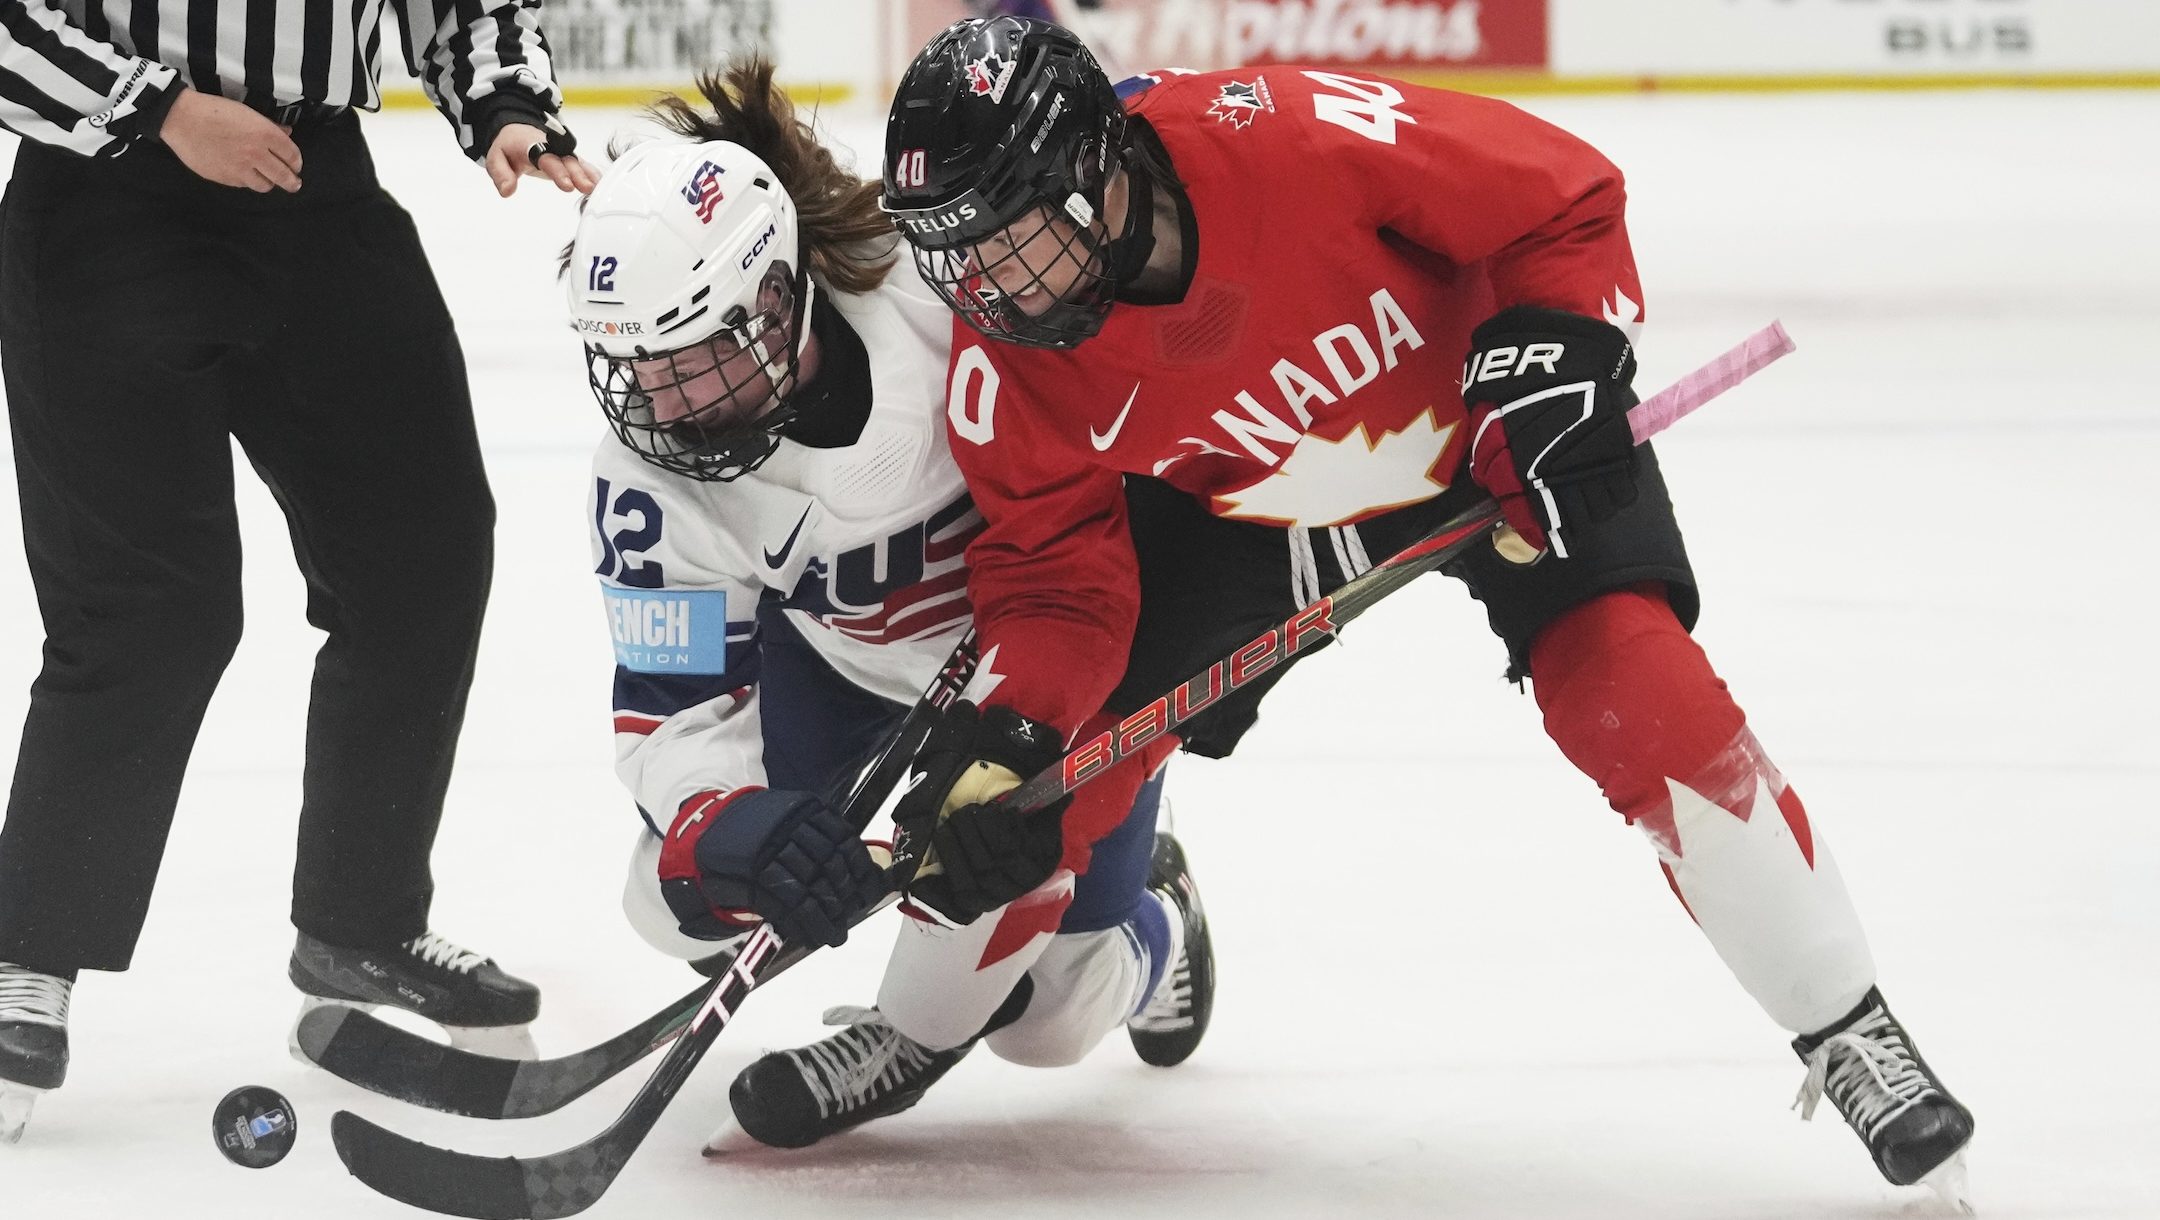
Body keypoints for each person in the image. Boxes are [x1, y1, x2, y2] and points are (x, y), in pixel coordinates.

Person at [877, 15, 1976, 1205]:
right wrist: (1015, 732)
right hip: (1261, 515)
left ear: (1091, 172)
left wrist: (1556, 361)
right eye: (959, 255)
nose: (985, 288)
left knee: (1637, 697)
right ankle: (913, 1023)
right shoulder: (1006, 361)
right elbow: (1053, 578)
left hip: (1496, 438)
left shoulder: (1292, 141)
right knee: (1051, 774)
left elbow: (1564, 196)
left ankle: (1848, 1025)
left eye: (1011, 239)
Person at [561, 59, 1214, 1154]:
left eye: (693, 361)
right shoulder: (647, 478)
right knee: (672, 899)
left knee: (1043, 1023)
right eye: (636, 370)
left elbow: (1132, 425)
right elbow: (669, 707)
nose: (663, 407)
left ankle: (1155, 917)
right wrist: (737, 832)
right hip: (843, 671)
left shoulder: (946, 302)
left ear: (777, 298)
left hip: (1046, 683)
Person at [0, 0, 599, 1140]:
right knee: (149, 611)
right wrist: (160, 110)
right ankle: (27, 950)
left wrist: (506, 105)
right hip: (109, 200)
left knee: (422, 559)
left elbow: (466, 8)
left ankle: (359, 924)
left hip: (313, 190)